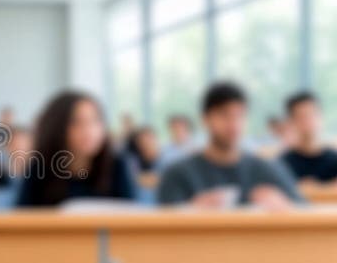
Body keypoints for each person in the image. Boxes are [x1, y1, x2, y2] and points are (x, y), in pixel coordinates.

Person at [157, 82, 301, 209]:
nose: (234, 124)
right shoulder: (178, 174)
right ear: (205, 119)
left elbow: (304, 213)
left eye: (240, 115)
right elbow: (163, 223)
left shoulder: (269, 170)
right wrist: (190, 211)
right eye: (224, 115)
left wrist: (285, 207)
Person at [17, 91, 136, 207]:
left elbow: (131, 214)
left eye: (95, 120)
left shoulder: (117, 165)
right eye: (76, 122)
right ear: (57, 127)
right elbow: (21, 216)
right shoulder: (38, 168)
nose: (89, 130)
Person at [280, 92, 337, 183]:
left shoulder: (334, 159)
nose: (309, 121)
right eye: (302, 117)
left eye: (313, 114)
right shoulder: (283, 164)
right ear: (291, 121)